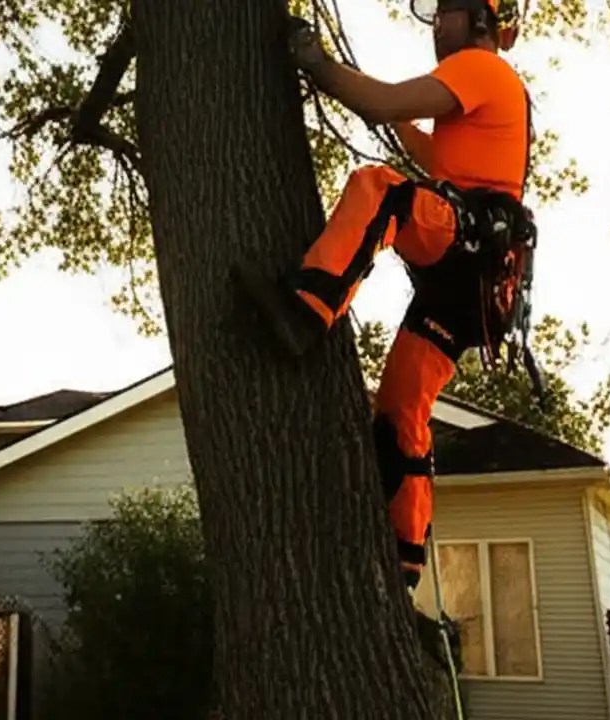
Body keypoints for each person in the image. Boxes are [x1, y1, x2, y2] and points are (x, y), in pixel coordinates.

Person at [236, 0, 538, 591]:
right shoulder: (484, 97)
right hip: (475, 285)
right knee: (402, 406)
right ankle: (404, 556)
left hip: (465, 246)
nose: (436, 27)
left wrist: (315, 62)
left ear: (479, 21)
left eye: (446, 14)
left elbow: (381, 104)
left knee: (383, 192)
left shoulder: (481, 68)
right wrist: (365, 89)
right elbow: (427, 149)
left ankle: (309, 308)